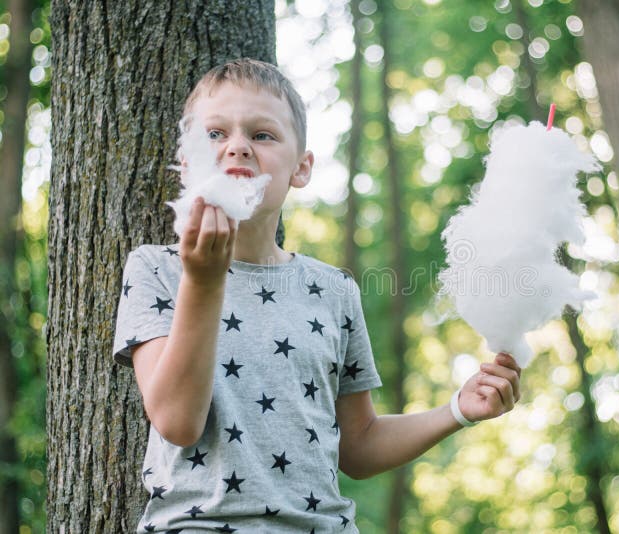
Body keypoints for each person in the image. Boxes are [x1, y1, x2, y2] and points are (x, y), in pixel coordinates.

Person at [112, 58, 522, 533]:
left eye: (262, 135)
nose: (238, 147)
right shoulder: (155, 268)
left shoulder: (334, 289)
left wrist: (457, 410)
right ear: (187, 163)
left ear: (301, 169)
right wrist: (203, 282)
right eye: (216, 133)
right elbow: (177, 422)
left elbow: (359, 445)